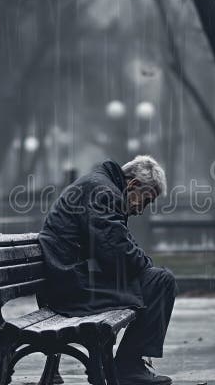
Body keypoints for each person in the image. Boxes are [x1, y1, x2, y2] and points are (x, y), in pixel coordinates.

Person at [38, 155, 176, 384]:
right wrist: (144, 264)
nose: (142, 210)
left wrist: (140, 263)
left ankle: (126, 365)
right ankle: (129, 367)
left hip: (66, 278)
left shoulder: (101, 186)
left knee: (156, 279)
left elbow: (118, 246)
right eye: (146, 200)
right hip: (70, 286)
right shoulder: (104, 192)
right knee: (161, 282)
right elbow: (118, 254)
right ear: (133, 185)